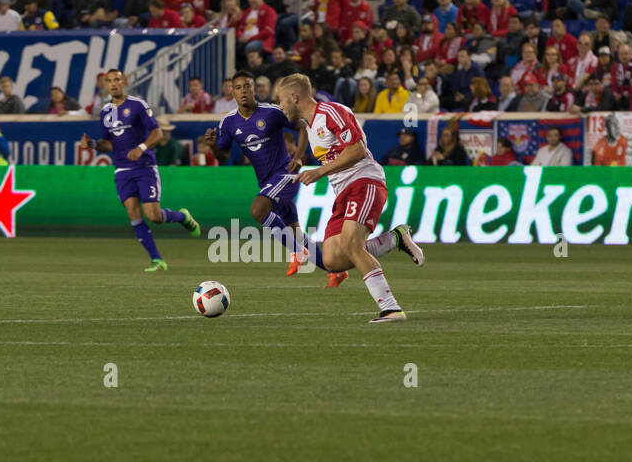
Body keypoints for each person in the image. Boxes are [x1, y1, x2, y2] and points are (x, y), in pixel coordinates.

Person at [275, 72, 423, 322]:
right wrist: (299, 157)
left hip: (364, 182)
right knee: (332, 261)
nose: (280, 107)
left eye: (280, 100)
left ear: (293, 96)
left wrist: (319, 171)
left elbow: (357, 150)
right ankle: (394, 239)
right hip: (343, 192)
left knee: (352, 245)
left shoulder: (332, 112)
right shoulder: (310, 125)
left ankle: (391, 308)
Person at [205, 70, 333, 282]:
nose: (243, 91)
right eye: (238, 88)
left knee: (258, 209)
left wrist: (299, 157)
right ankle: (335, 271)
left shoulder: (271, 112)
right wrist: (212, 147)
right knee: (296, 233)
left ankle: (298, 254)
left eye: (247, 86)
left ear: (254, 88)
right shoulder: (228, 123)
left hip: (286, 175)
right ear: (232, 92)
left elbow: (302, 126)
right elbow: (223, 156)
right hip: (267, 183)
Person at [78, 69, 200, 272]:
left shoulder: (138, 105)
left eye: (117, 79)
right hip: (122, 171)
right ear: (106, 85)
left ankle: (183, 217)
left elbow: (158, 133)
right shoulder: (105, 112)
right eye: (109, 81)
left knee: (154, 216)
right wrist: (91, 144)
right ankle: (157, 260)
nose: (114, 84)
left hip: (144, 167)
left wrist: (141, 148)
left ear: (124, 82)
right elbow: (109, 144)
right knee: (133, 213)